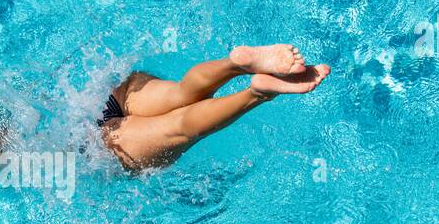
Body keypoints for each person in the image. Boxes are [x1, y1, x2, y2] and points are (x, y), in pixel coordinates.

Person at [96, 45, 330, 170]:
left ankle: (258, 93)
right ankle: (236, 64)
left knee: (179, 126)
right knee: (180, 93)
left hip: (99, 141)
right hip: (109, 96)